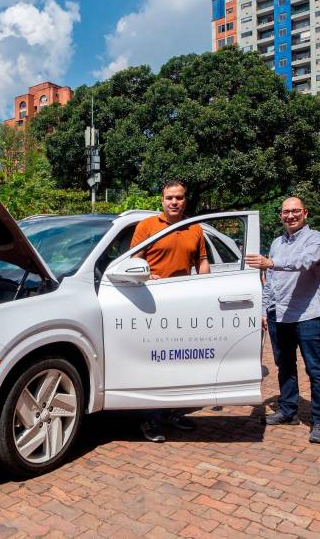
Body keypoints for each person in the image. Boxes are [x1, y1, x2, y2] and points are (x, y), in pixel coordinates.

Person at [246, 197, 320, 444]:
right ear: (281, 216)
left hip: (307, 315)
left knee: (315, 369)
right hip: (278, 315)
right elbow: (270, 282)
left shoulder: (316, 239)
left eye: (295, 211)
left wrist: (271, 262)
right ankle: (288, 410)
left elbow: (304, 262)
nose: (290, 216)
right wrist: (264, 310)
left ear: (304, 213)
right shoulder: (276, 243)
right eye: (285, 212)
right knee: (285, 365)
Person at [130, 180, 210, 442]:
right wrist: (145, 275)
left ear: (185, 200)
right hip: (153, 302)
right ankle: (150, 421)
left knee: (181, 361)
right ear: (161, 200)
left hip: (184, 302)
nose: (174, 202)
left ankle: (173, 413)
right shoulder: (148, 226)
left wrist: (206, 285)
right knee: (155, 363)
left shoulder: (195, 228)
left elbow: (202, 260)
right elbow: (135, 258)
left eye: (179, 197)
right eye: (169, 198)